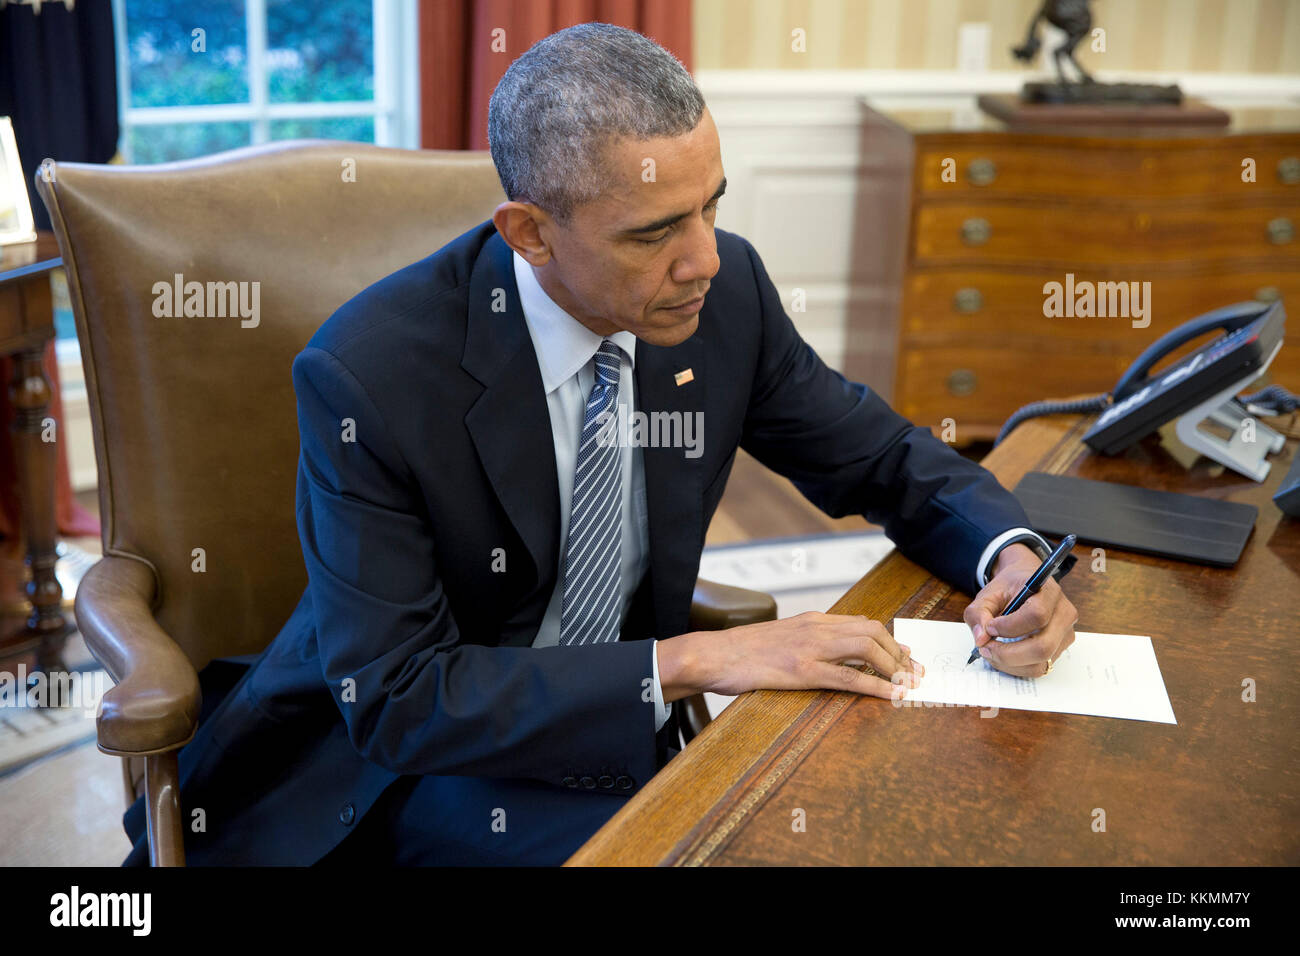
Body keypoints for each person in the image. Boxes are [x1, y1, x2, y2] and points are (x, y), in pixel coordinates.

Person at [123, 22, 1076, 867]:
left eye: (713, 205)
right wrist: (696, 661)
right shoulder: (369, 377)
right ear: (529, 234)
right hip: (399, 770)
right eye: (657, 231)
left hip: (612, 729)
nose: (704, 255)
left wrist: (1013, 557)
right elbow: (399, 700)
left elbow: (881, 457)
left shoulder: (722, 292)